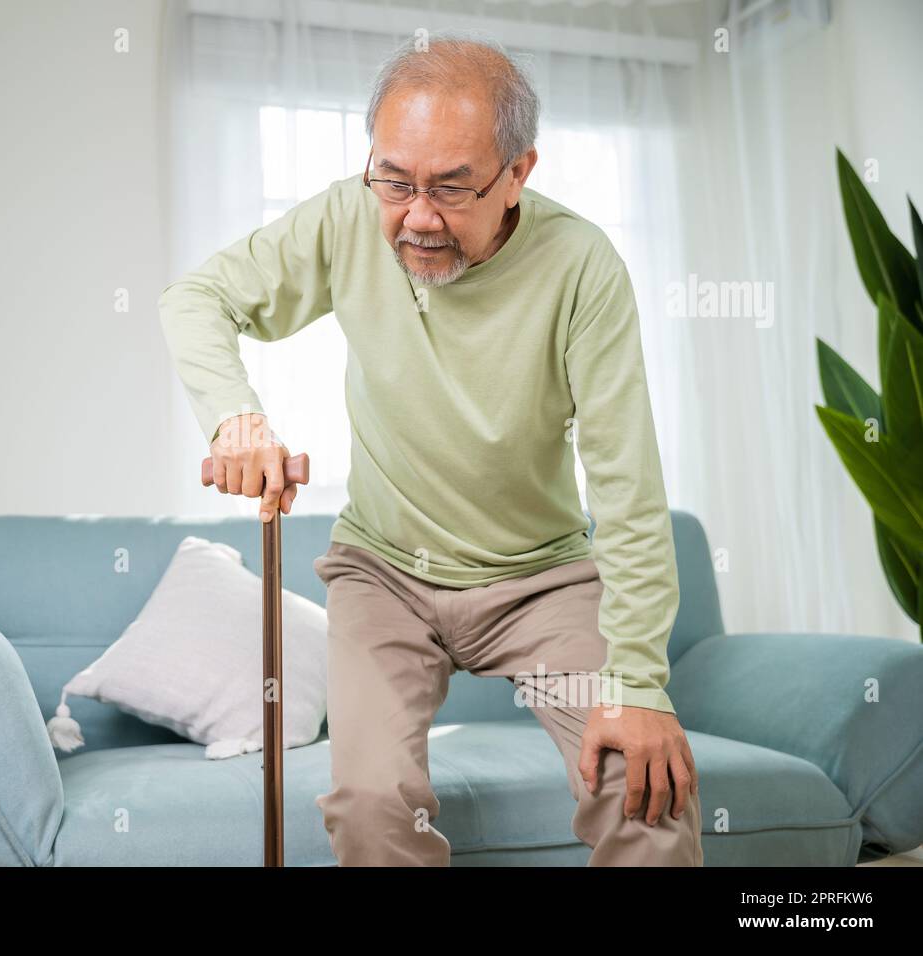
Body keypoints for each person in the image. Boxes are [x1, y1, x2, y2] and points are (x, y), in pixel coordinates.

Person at [157, 30, 702, 866]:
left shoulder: (581, 266)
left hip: (540, 580)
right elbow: (198, 299)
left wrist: (637, 683)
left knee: (646, 787)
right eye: (395, 180)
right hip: (387, 577)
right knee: (374, 805)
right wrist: (237, 418)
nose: (416, 216)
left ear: (518, 172)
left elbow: (627, 487)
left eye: (451, 188)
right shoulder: (348, 215)